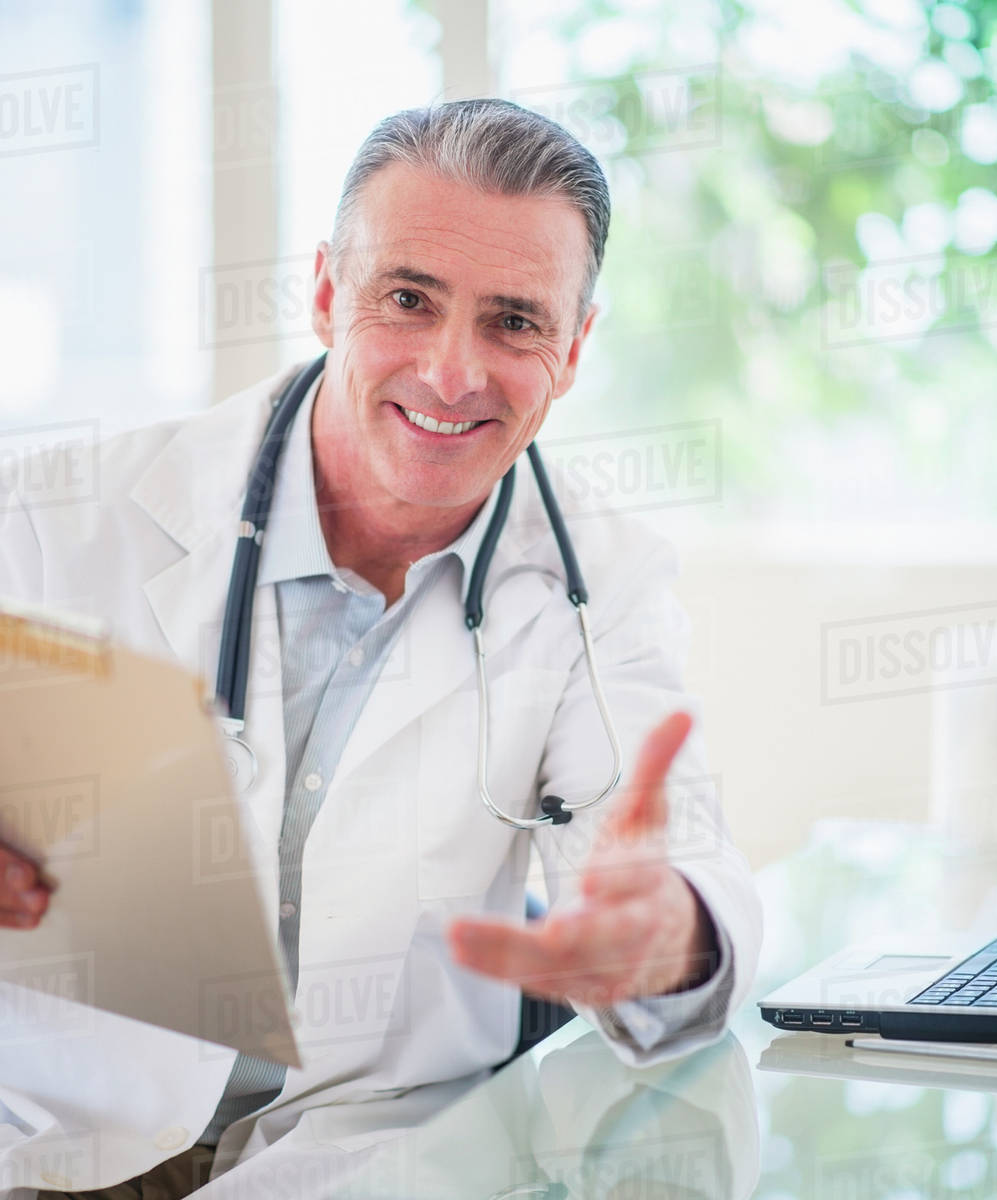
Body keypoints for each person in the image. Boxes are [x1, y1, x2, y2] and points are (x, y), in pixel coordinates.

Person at [0, 99, 761, 1198]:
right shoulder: (51, 514)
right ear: (323, 293)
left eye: (514, 322)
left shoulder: (604, 580)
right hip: (42, 1131)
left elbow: (673, 847)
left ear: (576, 346)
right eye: (407, 299)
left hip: (348, 1159)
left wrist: (663, 935)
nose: (452, 373)